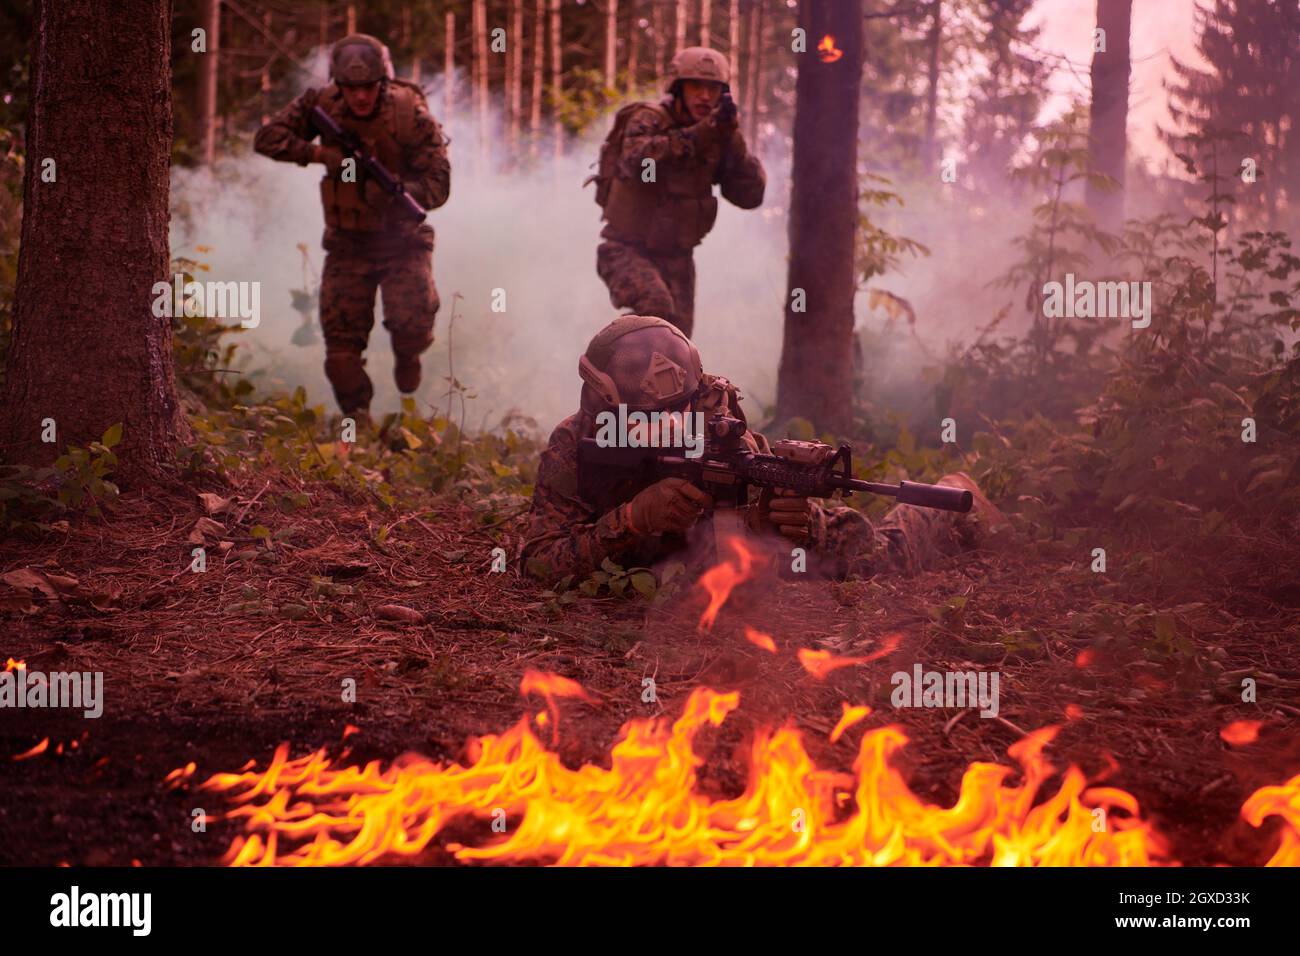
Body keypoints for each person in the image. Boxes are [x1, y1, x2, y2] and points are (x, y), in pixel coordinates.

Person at [521, 315, 1006, 582]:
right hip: (660, 563)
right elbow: (539, 562)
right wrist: (632, 519)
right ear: (607, 401)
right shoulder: (575, 445)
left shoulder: (714, 423)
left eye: (679, 414)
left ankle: (952, 496)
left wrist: (774, 520)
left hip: (710, 553)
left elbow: (748, 534)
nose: (671, 427)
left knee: (881, 558)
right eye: (650, 421)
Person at [253, 33, 451, 423]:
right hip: (348, 244)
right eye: (351, 88)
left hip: (402, 242)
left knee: (413, 327)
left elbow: (439, 185)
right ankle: (359, 428)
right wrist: (320, 153)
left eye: (368, 87)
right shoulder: (322, 104)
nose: (360, 96)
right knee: (341, 352)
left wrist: (396, 193)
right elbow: (268, 138)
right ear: (339, 86)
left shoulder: (410, 112)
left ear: (384, 82)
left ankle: (407, 353)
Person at [592, 47, 765, 338]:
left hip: (678, 258)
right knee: (655, 310)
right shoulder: (648, 119)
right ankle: (612, 375)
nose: (705, 96)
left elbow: (749, 196)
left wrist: (732, 141)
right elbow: (638, 161)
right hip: (625, 250)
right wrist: (703, 134)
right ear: (678, 88)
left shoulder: (718, 135)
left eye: (712, 88)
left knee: (678, 344)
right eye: (696, 86)